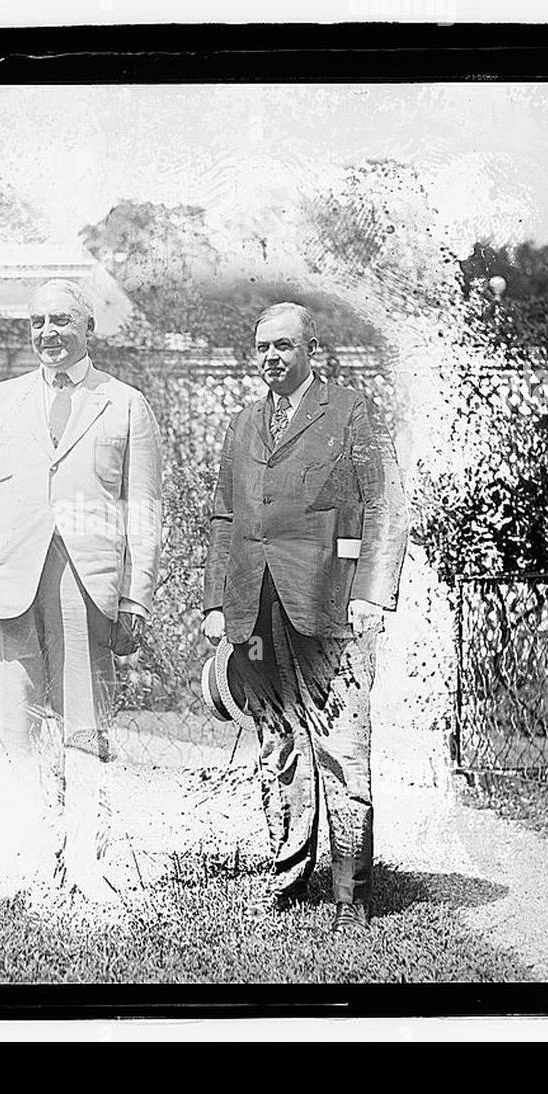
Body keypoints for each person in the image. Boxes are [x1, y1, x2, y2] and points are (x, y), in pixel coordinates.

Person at [0, 279, 163, 909]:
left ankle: (84, 861)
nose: (48, 332)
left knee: (84, 724)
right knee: (12, 725)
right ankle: (17, 860)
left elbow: (145, 511)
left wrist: (136, 597)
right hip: (10, 580)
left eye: (62, 320)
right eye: (38, 321)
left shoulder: (125, 404)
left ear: (88, 329)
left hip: (87, 581)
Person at [202, 301, 408, 932]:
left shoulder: (351, 411)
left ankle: (351, 891)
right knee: (278, 745)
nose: (271, 358)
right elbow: (223, 517)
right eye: (262, 347)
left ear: (312, 350)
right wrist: (216, 602)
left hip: (329, 608)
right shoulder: (243, 424)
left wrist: (371, 591)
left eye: (284, 346)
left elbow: (387, 502)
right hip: (256, 611)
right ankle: (288, 882)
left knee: (342, 746)